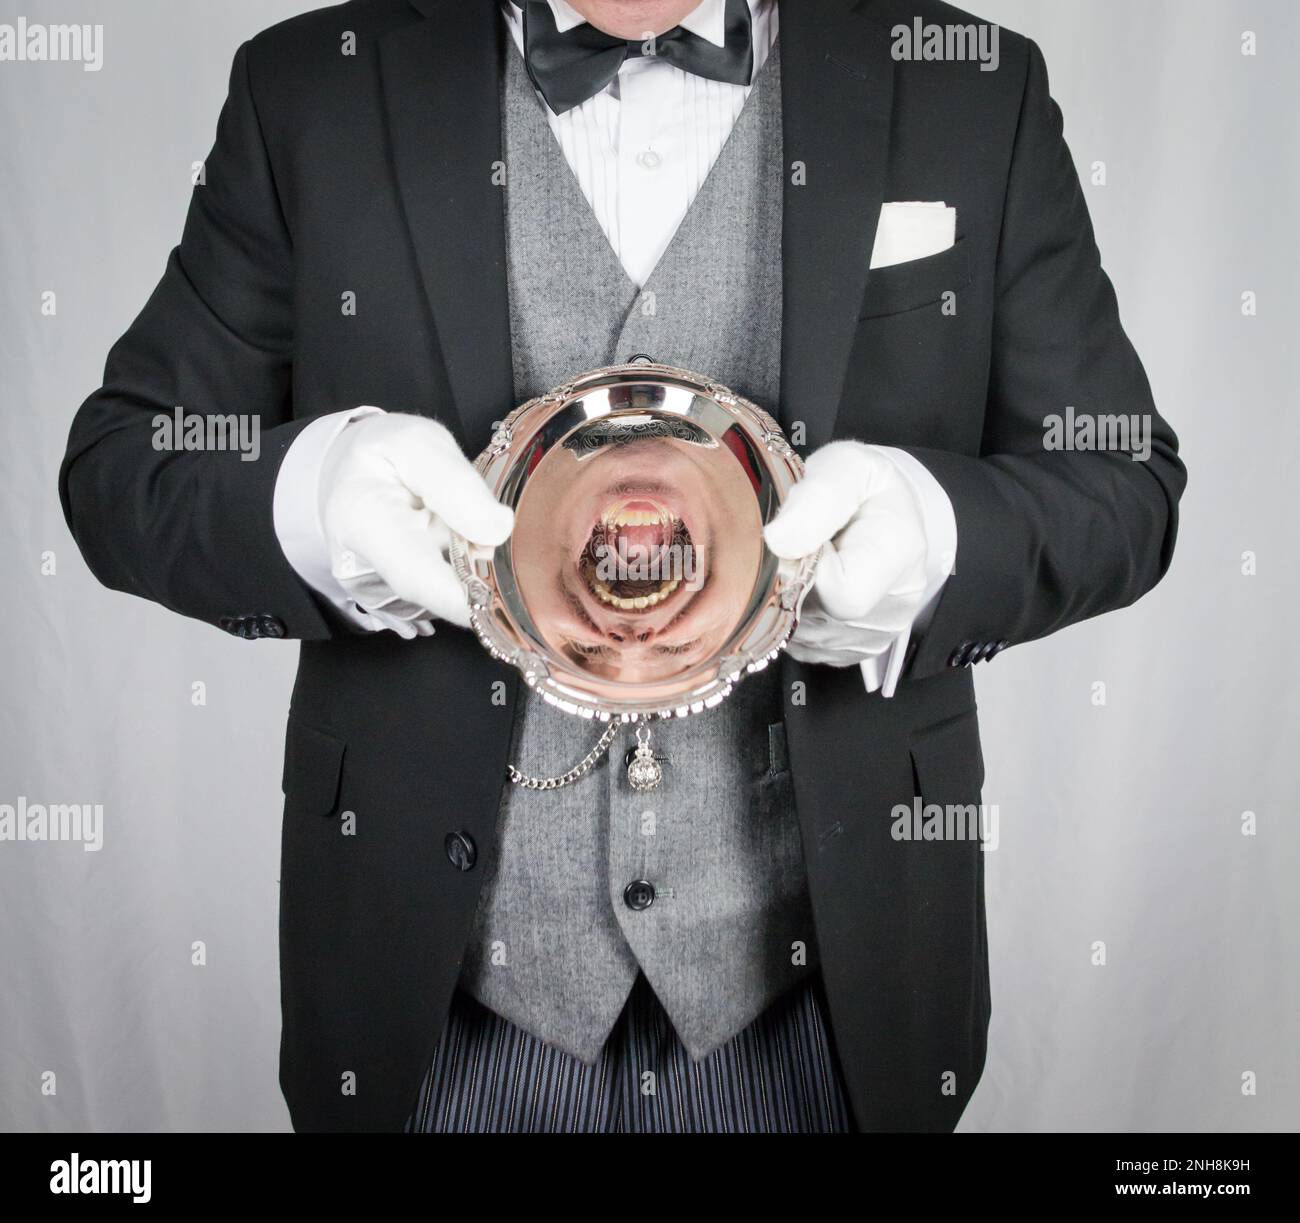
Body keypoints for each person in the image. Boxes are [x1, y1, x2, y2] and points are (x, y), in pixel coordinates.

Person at [59, 0, 1185, 1132]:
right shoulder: (309, 83)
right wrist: (317, 497)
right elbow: (124, 467)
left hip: (832, 1006)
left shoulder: (970, 82)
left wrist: (935, 533)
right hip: (435, 1007)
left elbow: (1121, 480)